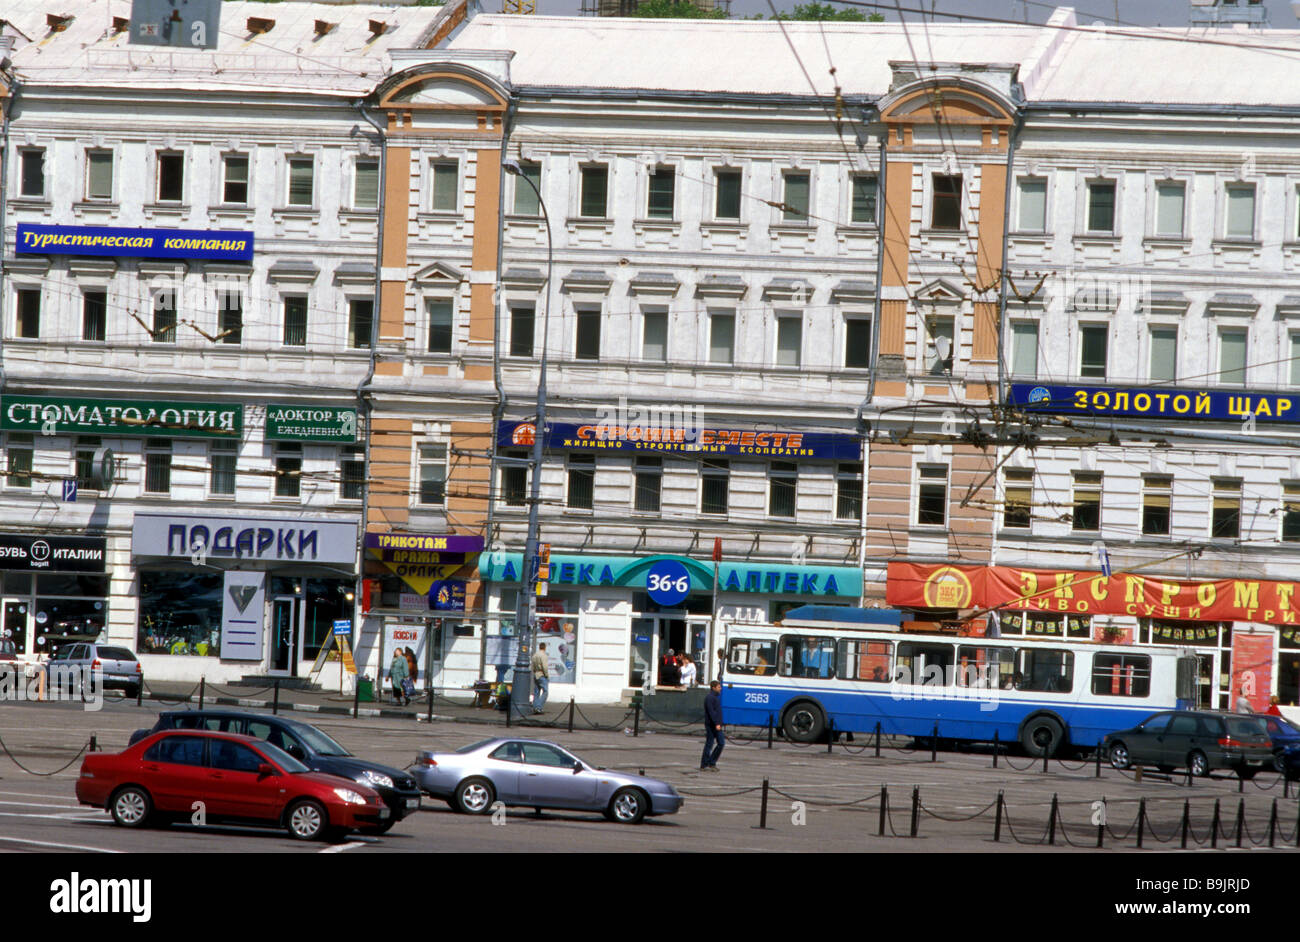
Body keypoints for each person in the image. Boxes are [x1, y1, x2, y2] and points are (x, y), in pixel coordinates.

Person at [700, 680, 725, 772]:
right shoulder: (710, 698)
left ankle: (710, 762)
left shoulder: (715, 698)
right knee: (710, 744)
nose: (720, 688)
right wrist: (717, 723)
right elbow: (712, 712)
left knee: (720, 743)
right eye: (719, 687)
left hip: (716, 724)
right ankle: (705, 764)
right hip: (712, 725)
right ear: (713, 688)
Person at [531, 642, 549, 714]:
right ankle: (538, 707)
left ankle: (535, 707)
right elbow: (545, 667)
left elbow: (533, 666)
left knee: (536, 692)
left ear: (539, 647)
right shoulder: (543, 655)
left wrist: (535, 672)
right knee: (545, 691)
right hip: (542, 674)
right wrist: (546, 675)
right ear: (544, 647)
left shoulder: (535, 655)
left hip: (536, 674)